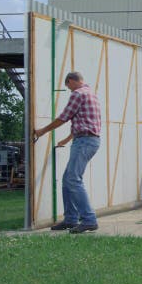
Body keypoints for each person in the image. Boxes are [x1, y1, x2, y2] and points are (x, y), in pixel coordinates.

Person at [34, 71, 101, 234]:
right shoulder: (91, 94)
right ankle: (71, 219)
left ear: (71, 81)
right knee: (67, 180)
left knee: (73, 179)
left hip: (84, 141)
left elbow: (64, 117)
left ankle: (89, 220)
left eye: (68, 86)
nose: (70, 90)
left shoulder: (78, 94)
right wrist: (66, 139)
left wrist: (42, 131)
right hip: (89, 140)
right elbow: (83, 122)